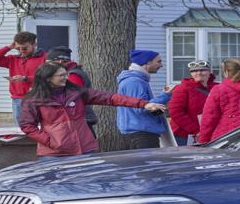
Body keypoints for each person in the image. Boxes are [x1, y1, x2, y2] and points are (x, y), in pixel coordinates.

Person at [19, 63, 163, 157]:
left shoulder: (77, 92)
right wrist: (51, 141)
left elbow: (111, 98)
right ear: (48, 78)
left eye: (65, 74)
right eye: (61, 75)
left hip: (85, 149)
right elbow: (27, 126)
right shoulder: (33, 100)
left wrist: (143, 104)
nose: (66, 78)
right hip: (54, 154)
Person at [115, 49, 171, 149]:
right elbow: (141, 108)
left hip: (142, 133)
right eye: (158, 61)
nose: (161, 65)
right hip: (142, 136)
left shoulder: (138, 80)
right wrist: (165, 96)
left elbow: (145, 107)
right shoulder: (134, 82)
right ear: (148, 62)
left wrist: (162, 107)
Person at [0, 31, 45, 120]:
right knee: (20, 127)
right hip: (18, 100)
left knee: (41, 126)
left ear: (34, 45)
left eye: (24, 48)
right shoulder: (13, 59)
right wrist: (8, 47)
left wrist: (26, 78)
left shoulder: (45, 58)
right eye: (18, 48)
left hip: (40, 99)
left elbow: (49, 78)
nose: (21, 51)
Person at [45, 46, 98, 138]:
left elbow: (71, 100)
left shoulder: (72, 75)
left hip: (78, 121)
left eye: (49, 63)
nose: (47, 67)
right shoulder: (69, 73)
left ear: (59, 61)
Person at [167, 59, 215, 145]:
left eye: (202, 70)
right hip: (184, 135)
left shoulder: (217, 87)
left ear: (209, 72)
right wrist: (196, 130)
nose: (198, 73)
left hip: (212, 132)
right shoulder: (182, 88)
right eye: (194, 71)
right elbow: (175, 112)